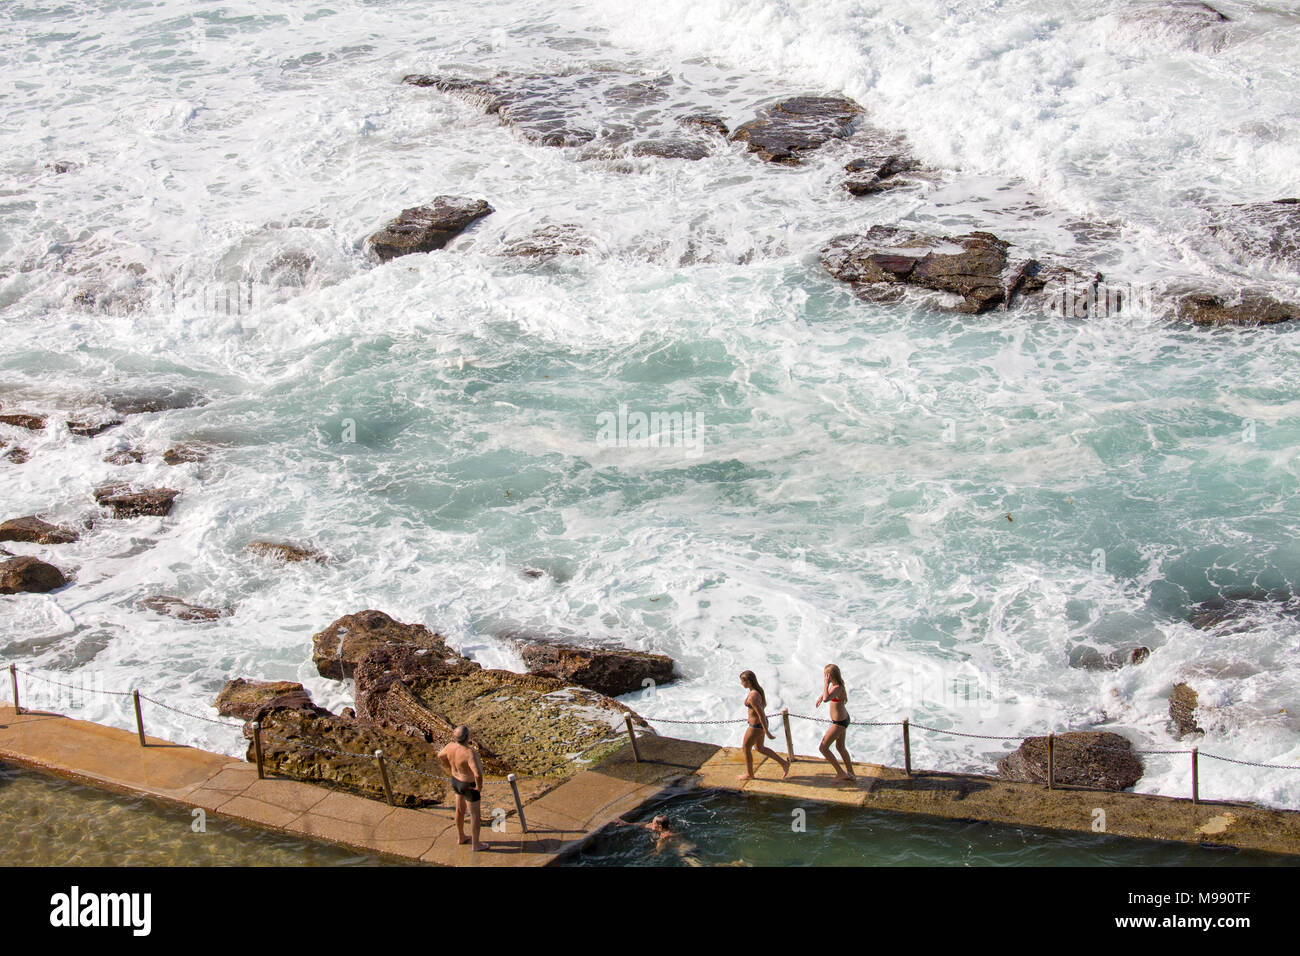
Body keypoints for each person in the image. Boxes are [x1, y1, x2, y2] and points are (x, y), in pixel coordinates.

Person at [437, 724, 487, 850]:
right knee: (475, 815)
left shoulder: (449, 747)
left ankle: (461, 837)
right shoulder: (470, 753)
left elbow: (440, 756)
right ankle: (476, 845)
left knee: (459, 810)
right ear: (467, 737)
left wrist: (449, 767)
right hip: (468, 785)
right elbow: (477, 774)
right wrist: (479, 787)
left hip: (456, 781)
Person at [738, 670, 790, 781]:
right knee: (759, 748)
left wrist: (767, 731)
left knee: (746, 748)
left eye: (742, 681)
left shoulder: (753, 696)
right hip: (759, 725)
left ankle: (749, 774)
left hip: (756, 726)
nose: (741, 683)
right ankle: (784, 763)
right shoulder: (757, 690)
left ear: (748, 681)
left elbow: (760, 714)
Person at [815, 663, 855, 782]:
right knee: (840, 747)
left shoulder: (836, 687)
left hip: (839, 723)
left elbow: (828, 698)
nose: (825, 678)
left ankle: (841, 773)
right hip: (843, 720)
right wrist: (821, 697)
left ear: (831, 676)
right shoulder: (836, 685)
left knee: (823, 748)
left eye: (826, 676)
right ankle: (850, 773)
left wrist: (825, 685)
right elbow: (827, 695)